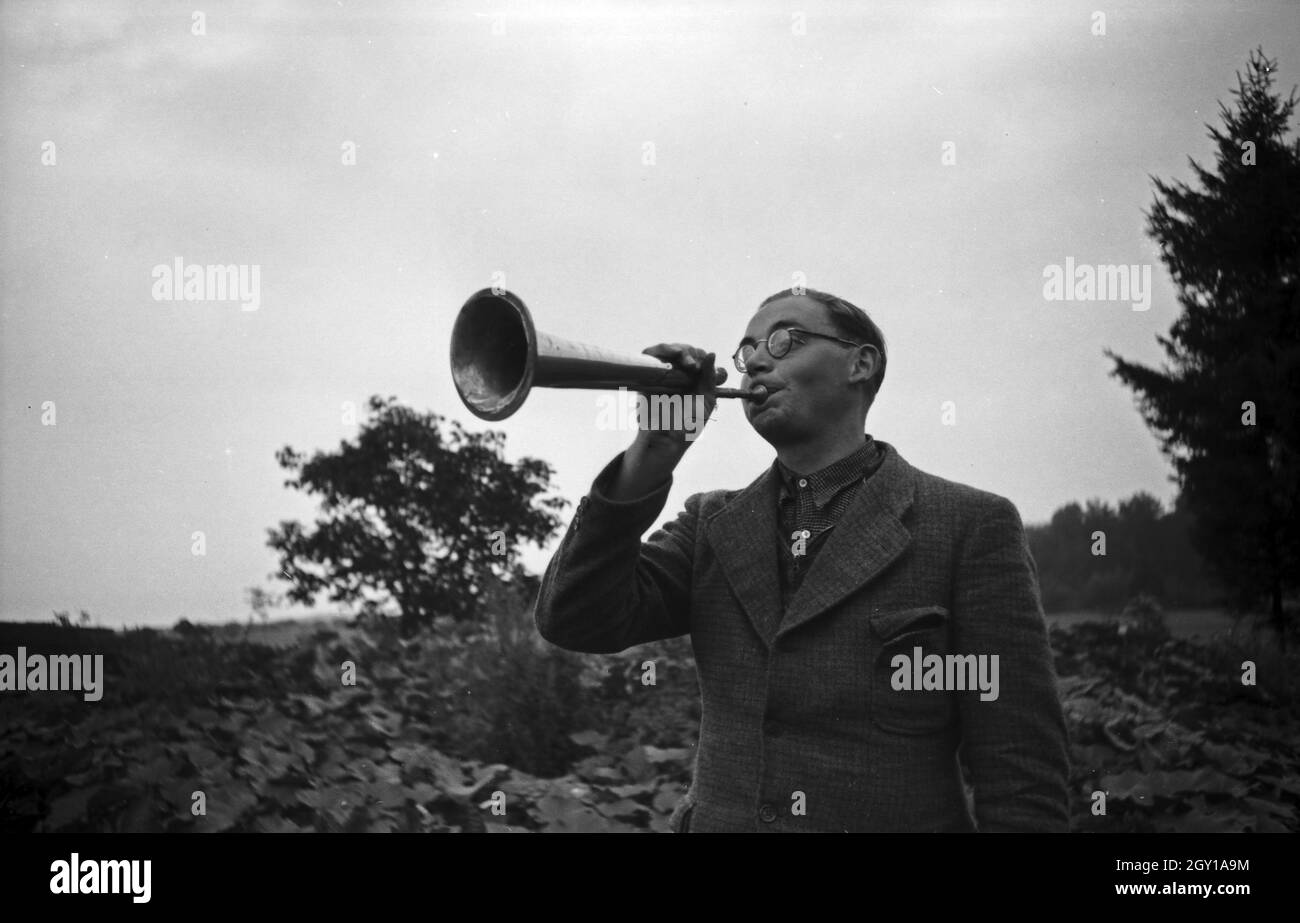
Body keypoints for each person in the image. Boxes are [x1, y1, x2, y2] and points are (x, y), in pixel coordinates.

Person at [533, 287, 1070, 832]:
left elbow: (1020, 768)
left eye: (784, 340)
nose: (756, 361)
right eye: (746, 353)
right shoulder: (710, 524)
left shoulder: (969, 525)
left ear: (861, 363)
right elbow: (573, 617)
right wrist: (650, 455)